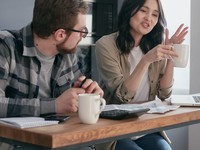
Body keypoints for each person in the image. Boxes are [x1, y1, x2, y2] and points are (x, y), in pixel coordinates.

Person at [0, 0, 103, 149]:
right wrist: (54, 105)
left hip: (59, 139)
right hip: (16, 143)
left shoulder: (67, 53)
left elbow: (74, 96)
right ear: (60, 34)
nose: (82, 36)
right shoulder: (5, 46)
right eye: (81, 30)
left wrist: (89, 94)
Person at [95, 0, 188, 150]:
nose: (148, 18)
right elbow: (122, 96)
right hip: (115, 129)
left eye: (155, 14)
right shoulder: (105, 45)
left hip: (145, 125)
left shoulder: (156, 45)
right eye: (143, 11)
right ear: (130, 10)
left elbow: (164, 93)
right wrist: (145, 60)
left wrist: (171, 55)